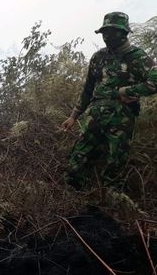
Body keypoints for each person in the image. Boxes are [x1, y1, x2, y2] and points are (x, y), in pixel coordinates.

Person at [60, 12, 157, 200]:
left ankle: (109, 207)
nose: (106, 36)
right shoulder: (98, 57)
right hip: (94, 116)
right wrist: (73, 116)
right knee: (77, 160)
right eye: (104, 32)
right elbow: (88, 88)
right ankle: (73, 201)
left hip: (121, 118)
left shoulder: (136, 56)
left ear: (123, 33)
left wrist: (128, 92)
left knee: (115, 165)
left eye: (111, 32)